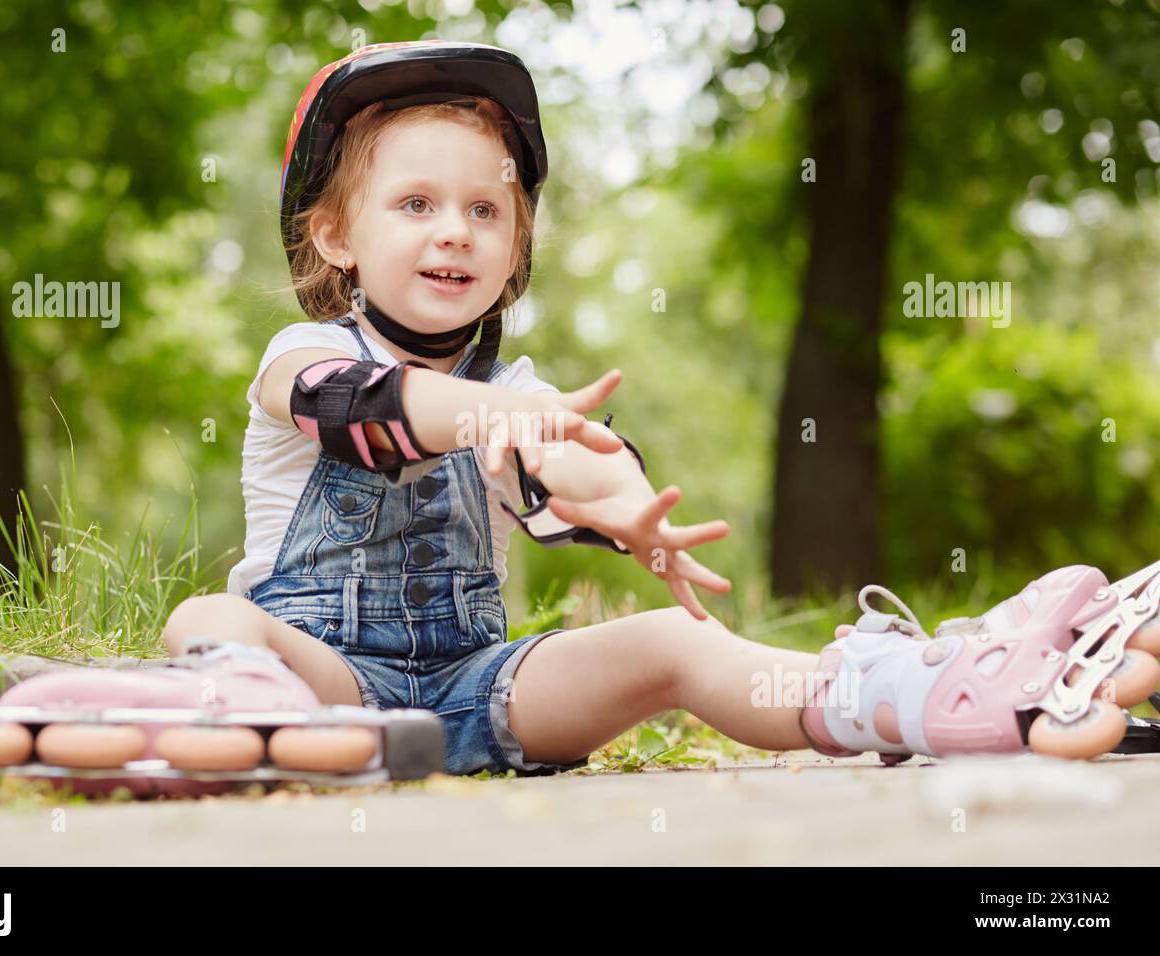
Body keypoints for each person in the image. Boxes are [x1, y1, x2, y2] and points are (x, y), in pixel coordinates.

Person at [161, 41, 1154, 774]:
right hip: (326, 685)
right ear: (334, 234)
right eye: (415, 204)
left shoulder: (522, 391)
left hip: (474, 692)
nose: (454, 232)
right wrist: (497, 421)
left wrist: (618, 497)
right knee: (209, 614)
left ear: (515, 246)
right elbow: (364, 408)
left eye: (485, 209)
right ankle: (241, 717)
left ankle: (924, 694)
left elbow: (580, 460)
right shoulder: (305, 354)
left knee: (677, 645)